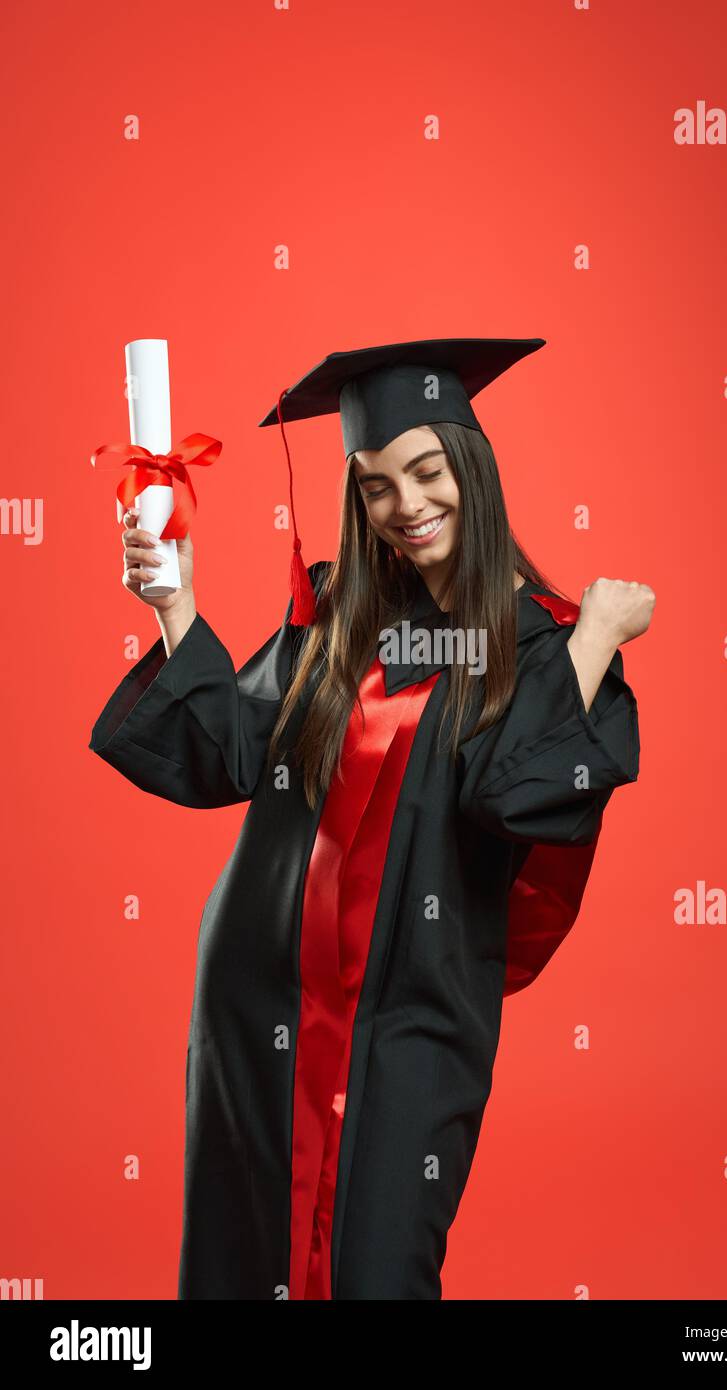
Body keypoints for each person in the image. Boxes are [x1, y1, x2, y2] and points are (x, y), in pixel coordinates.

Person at [89, 337, 653, 1300]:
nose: (406, 506)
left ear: (470, 468)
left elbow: (513, 791)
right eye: (376, 485)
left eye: (427, 472)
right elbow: (228, 750)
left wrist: (594, 633)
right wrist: (174, 608)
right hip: (260, 998)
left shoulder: (543, 638)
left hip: (411, 1012)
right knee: (244, 1257)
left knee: (375, 1268)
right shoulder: (342, 620)